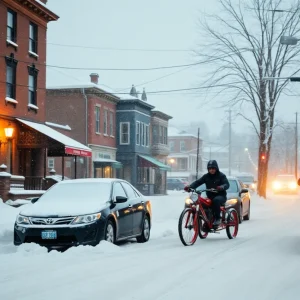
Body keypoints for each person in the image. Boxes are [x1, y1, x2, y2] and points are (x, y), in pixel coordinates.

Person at [184, 160, 230, 226]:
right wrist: (190, 187)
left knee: (216, 200)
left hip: (221, 196)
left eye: (213, 168)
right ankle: (206, 220)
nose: (211, 170)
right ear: (208, 169)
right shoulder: (206, 176)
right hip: (210, 196)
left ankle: (217, 219)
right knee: (202, 203)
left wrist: (221, 187)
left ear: (216, 168)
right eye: (210, 168)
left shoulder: (221, 176)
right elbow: (198, 182)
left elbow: (227, 184)